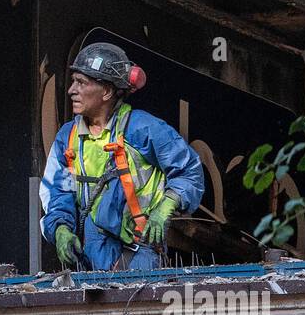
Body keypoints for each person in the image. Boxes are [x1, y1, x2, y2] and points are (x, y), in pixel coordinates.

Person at [40, 42, 205, 272]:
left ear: (107, 91)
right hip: (89, 256)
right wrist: (60, 229)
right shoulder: (68, 138)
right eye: (73, 81)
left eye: (81, 82)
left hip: (139, 254)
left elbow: (190, 171)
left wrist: (167, 205)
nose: (71, 90)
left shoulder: (143, 129)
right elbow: (59, 191)